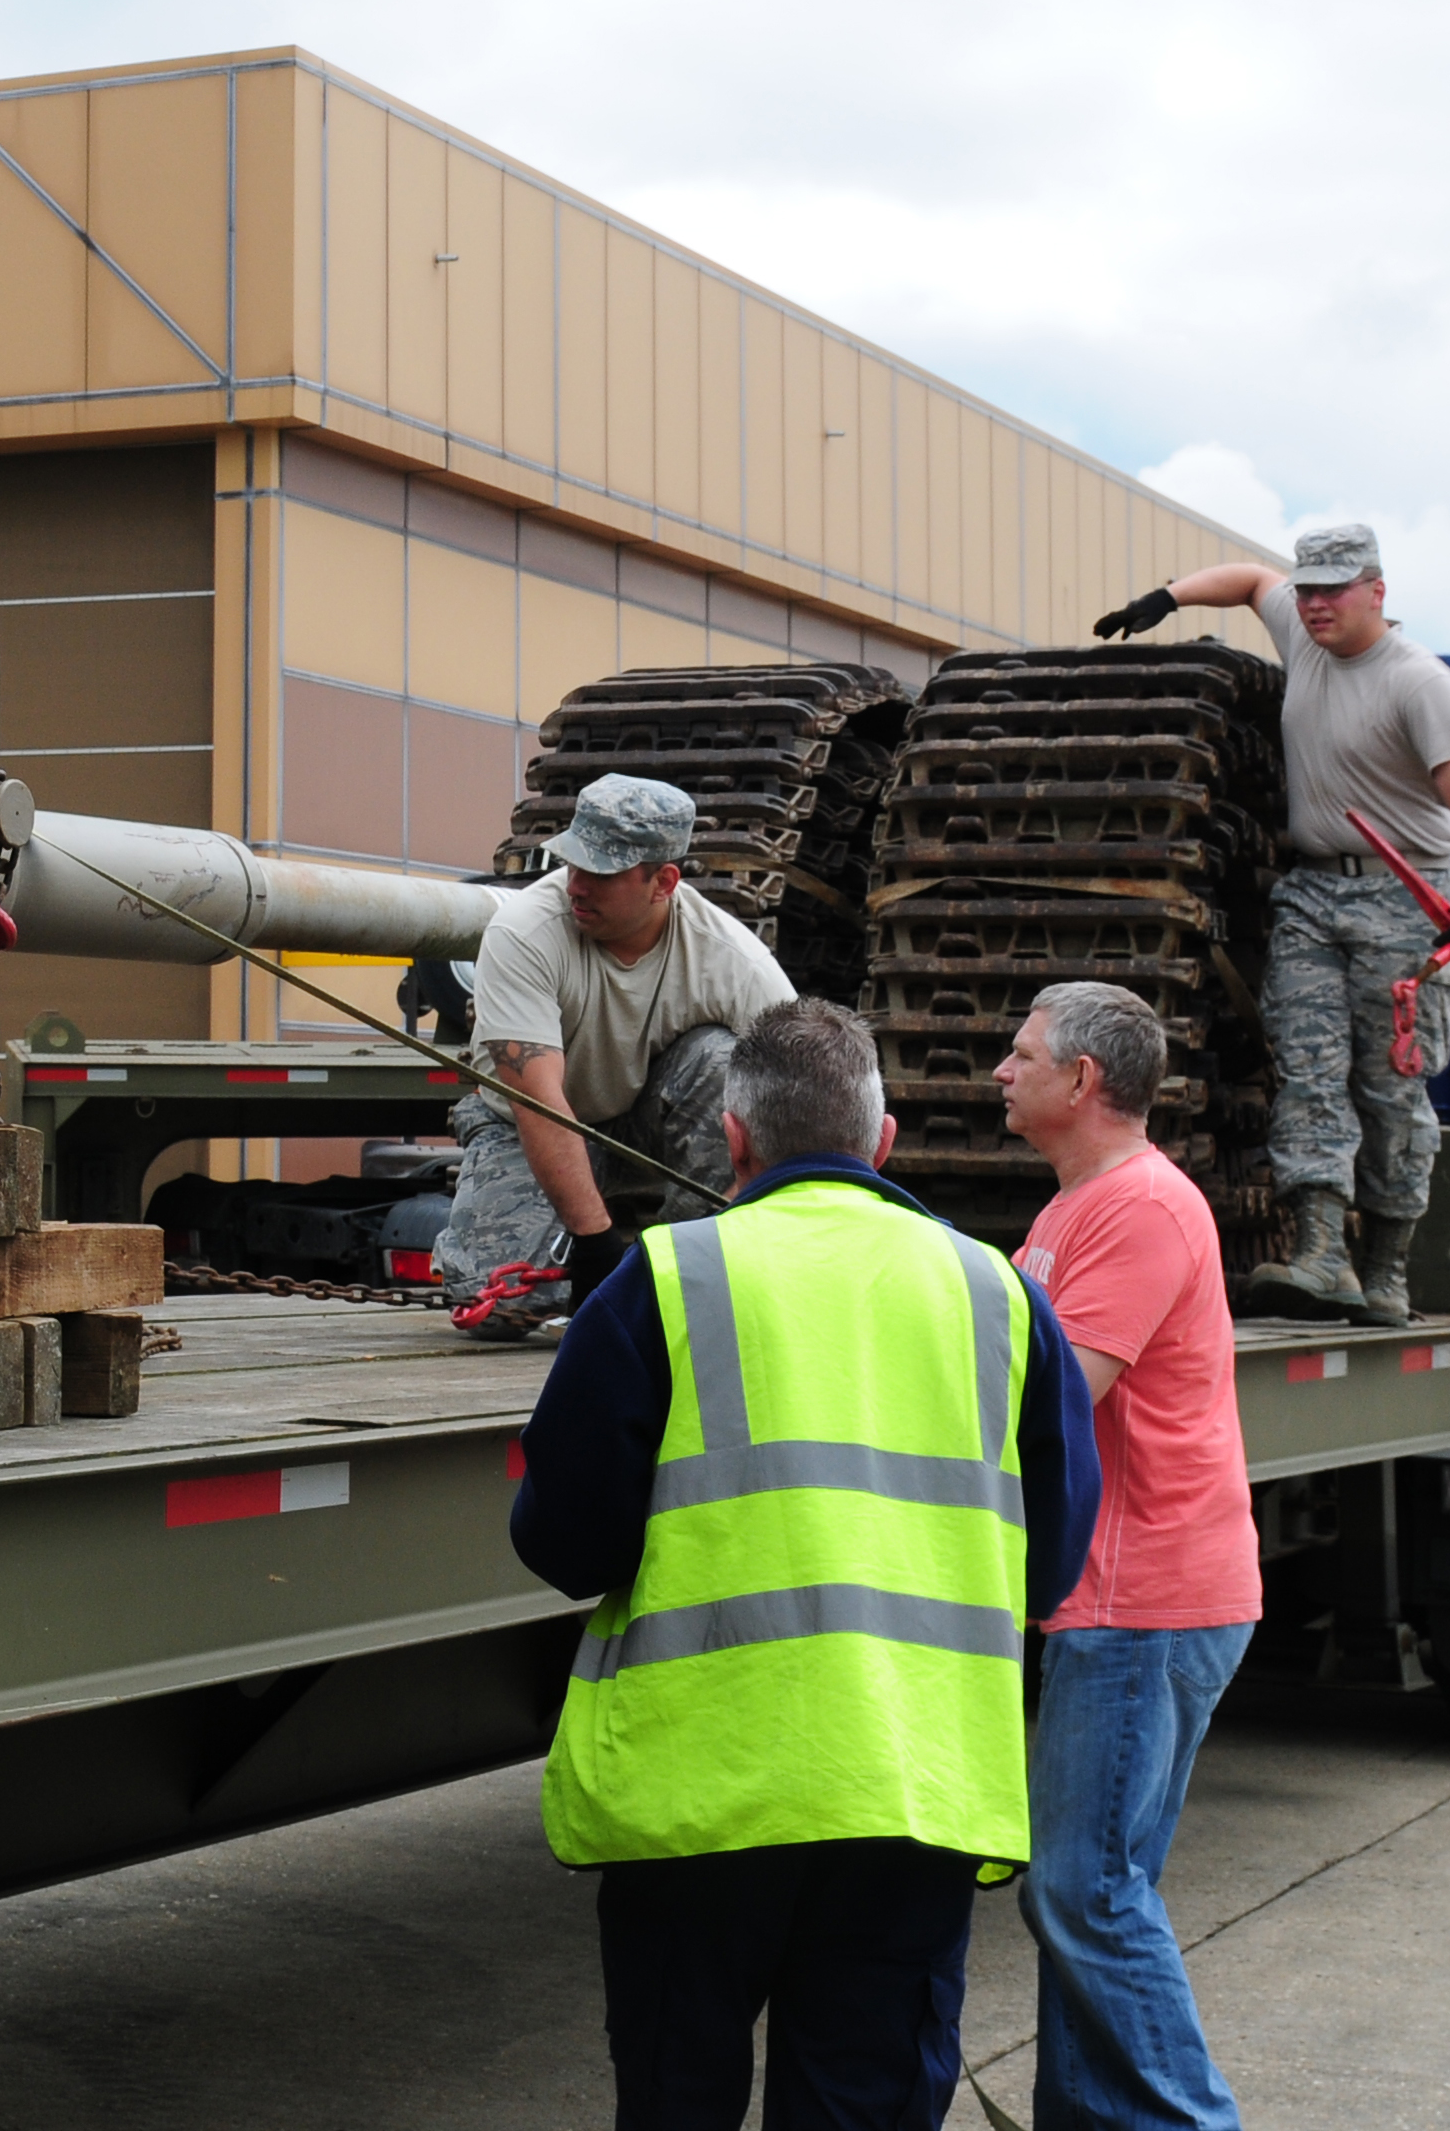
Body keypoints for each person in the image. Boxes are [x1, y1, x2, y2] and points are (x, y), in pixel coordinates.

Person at [515, 999, 1103, 2131]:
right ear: (883, 1141)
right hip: (912, 1786)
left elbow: (564, 1542)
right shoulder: (996, 1293)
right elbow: (1051, 1563)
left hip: (697, 1796)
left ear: (732, 1138)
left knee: (676, 2099)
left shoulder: (666, 1278)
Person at [1096, 521, 1450, 1322]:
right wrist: (1166, 598)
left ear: (1376, 592)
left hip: (1405, 898)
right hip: (1313, 895)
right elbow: (1252, 580)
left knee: (1389, 1092)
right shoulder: (1302, 629)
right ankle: (1322, 1253)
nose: (1315, 604)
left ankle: (1387, 1268)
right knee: (1309, 1073)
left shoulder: (1419, 682)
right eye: (1310, 589)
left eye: (1334, 591)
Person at [997, 980, 1263, 2131]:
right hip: (1126, 1596)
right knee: (1094, 1892)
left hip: (1142, 1600)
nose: (999, 1071)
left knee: (1083, 1891)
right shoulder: (1074, 1206)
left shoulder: (1140, 1208)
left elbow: (1057, 1394)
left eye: (1020, 1053)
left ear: (1081, 1078)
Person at [428, 773, 794, 1326]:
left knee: (729, 1064)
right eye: (572, 864)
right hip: (528, 1126)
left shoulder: (731, 960)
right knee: (501, 1308)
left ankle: (689, 1271)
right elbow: (538, 1102)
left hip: (640, 1118)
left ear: (663, 882)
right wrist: (595, 1242)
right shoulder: (524, 933)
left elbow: (798, 1093)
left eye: (600, 873)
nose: (576, 886)